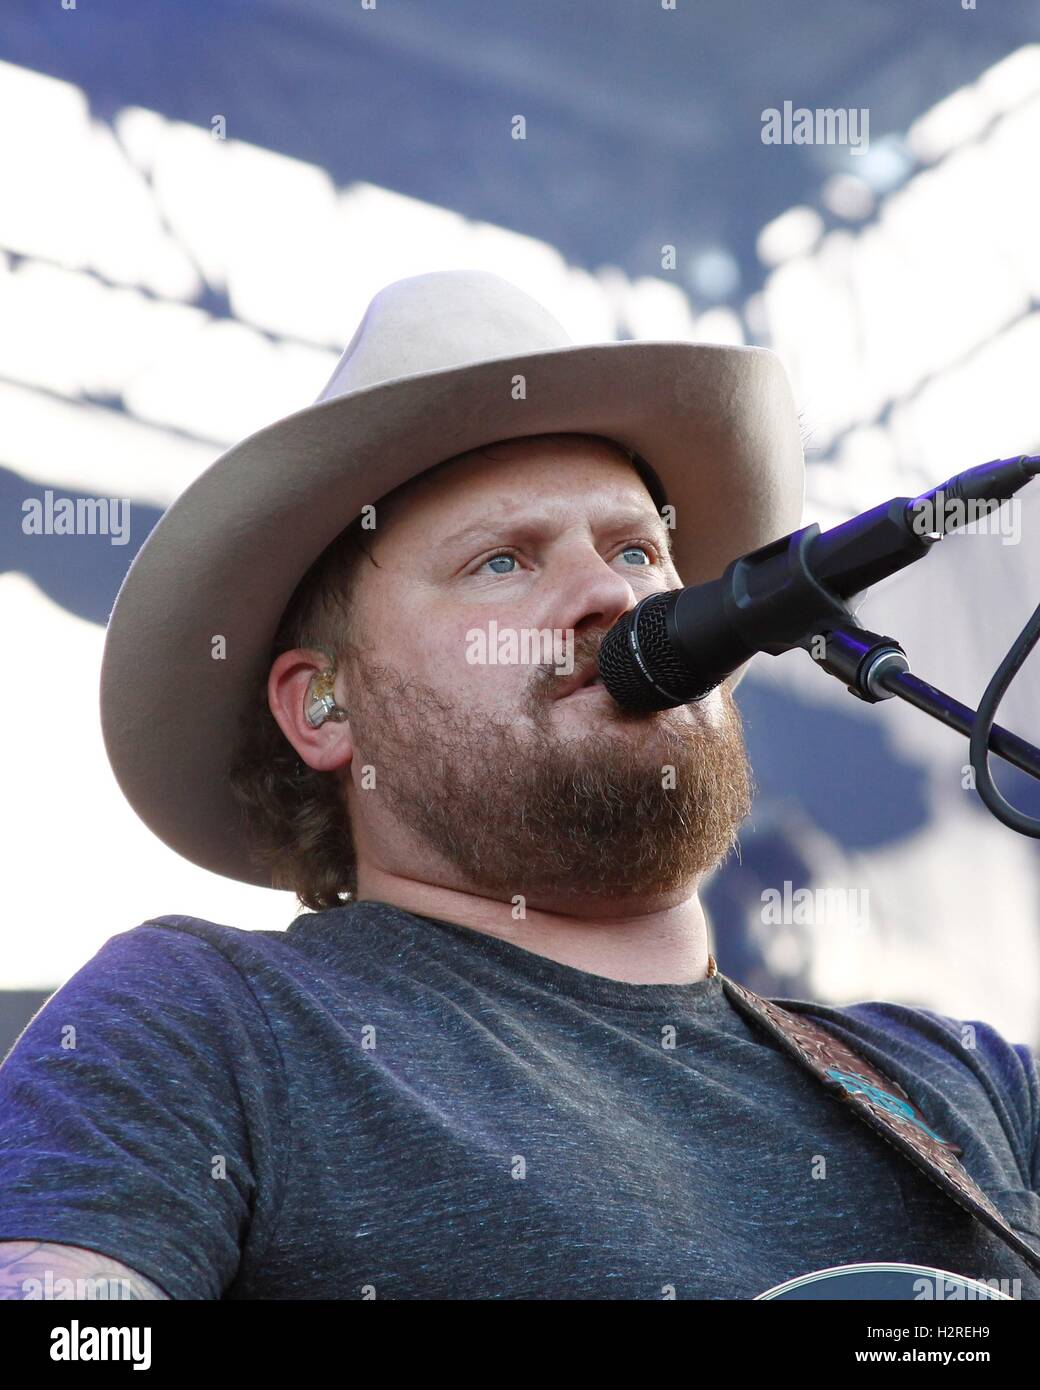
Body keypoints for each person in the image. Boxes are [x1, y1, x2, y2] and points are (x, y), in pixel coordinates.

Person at [1, 271, 1037, 1301]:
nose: (609, 591)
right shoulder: (203, 1026)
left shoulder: (973, 1090)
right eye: (502, 562)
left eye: (638, 547)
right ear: (323, 706)